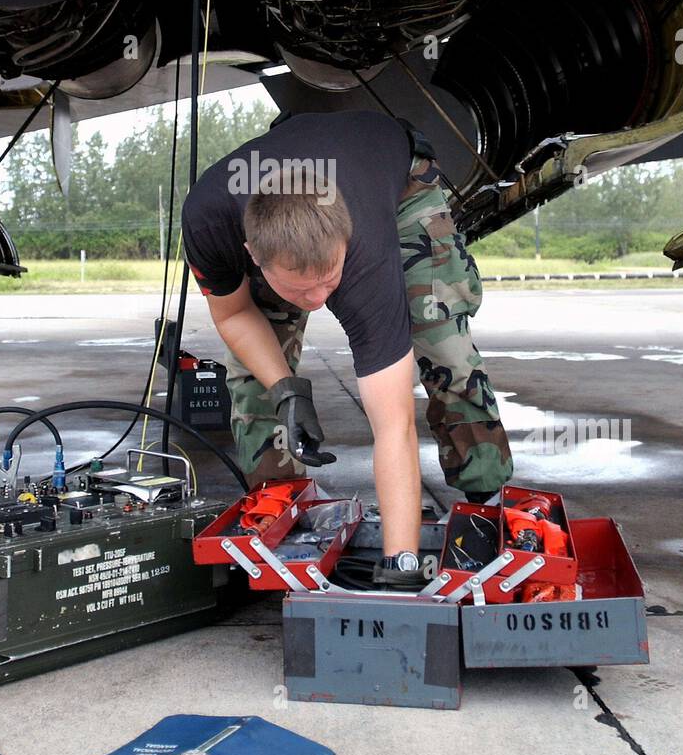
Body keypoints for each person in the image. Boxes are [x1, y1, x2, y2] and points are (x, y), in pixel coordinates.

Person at [180, 109, 513, 588]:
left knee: (446, 351)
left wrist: (401, 560)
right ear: (253, 255)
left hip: (400, 184)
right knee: (256, 378)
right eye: (302, 291)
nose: (321, 303)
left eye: (329, 283)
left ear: (347, 246)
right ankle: (277, 513)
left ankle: (485, 502)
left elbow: (392, 423)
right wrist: (287, 390)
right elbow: (234, 315)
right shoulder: (209, 223)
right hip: (291, 199)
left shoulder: (365, 257)